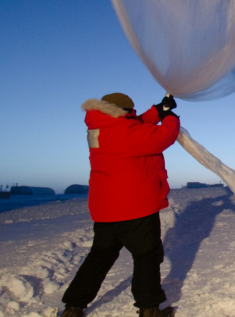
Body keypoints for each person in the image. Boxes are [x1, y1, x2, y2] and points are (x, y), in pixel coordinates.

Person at [60, 93, 180, 317]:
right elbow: (163, 136)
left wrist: (157, 111)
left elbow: (133, 127)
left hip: (106, 210)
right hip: (136, 208)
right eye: (130, 111)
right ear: (123, 112)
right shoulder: (127, 132)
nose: (132, 115)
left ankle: (73, 307)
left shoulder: (99, 128)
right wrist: (170, 117)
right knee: (147, 257)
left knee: (99, 258)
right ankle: (149, 310)